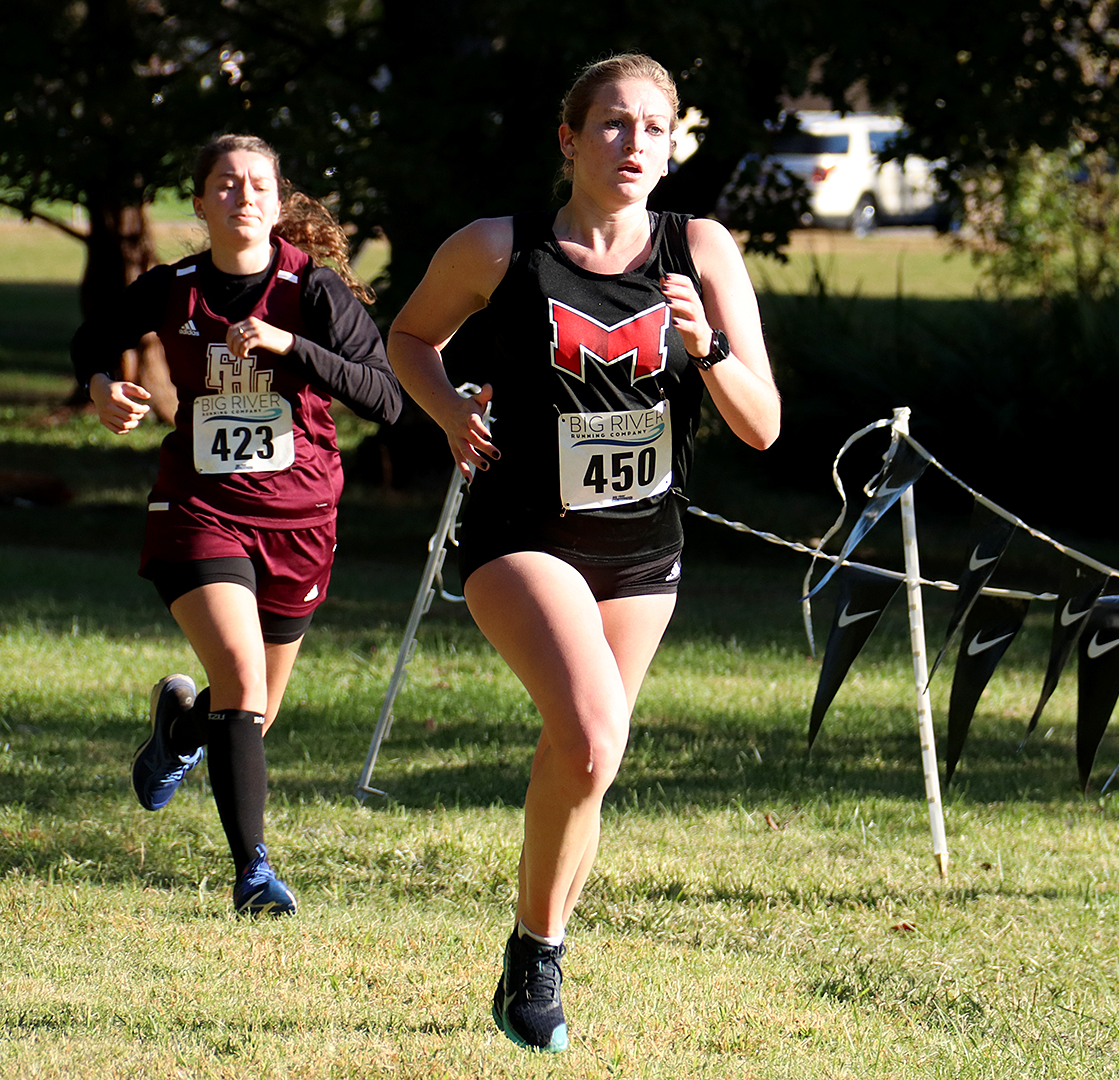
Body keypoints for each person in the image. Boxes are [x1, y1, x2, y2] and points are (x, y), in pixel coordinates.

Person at [387, 54, 780, 1052]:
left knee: (583, 759)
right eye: (611, 124)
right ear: (569, 138)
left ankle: (533, 944)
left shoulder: (702, 251)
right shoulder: (498, 248)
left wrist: (711, 351)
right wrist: (446, 413)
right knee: (597, 732)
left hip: (644, 549)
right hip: (523, 535)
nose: (633, 144)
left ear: (674, 142)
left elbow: (763, 427)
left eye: (653, 127)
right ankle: (544, 968)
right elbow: (411, 339)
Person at [72, 134, 402, 916]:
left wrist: (293, 346)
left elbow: (384, 397)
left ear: (278, 199)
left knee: (248, 710)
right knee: (244, 686)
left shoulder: (312, 290)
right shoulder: (172, 286)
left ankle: (177, 735)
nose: (242, 195)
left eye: (258, 184)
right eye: (225, 183)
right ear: (199, 200)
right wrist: (97, 386)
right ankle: (253, 873)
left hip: (300, 517)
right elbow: (93, 336)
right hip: (199, 507)